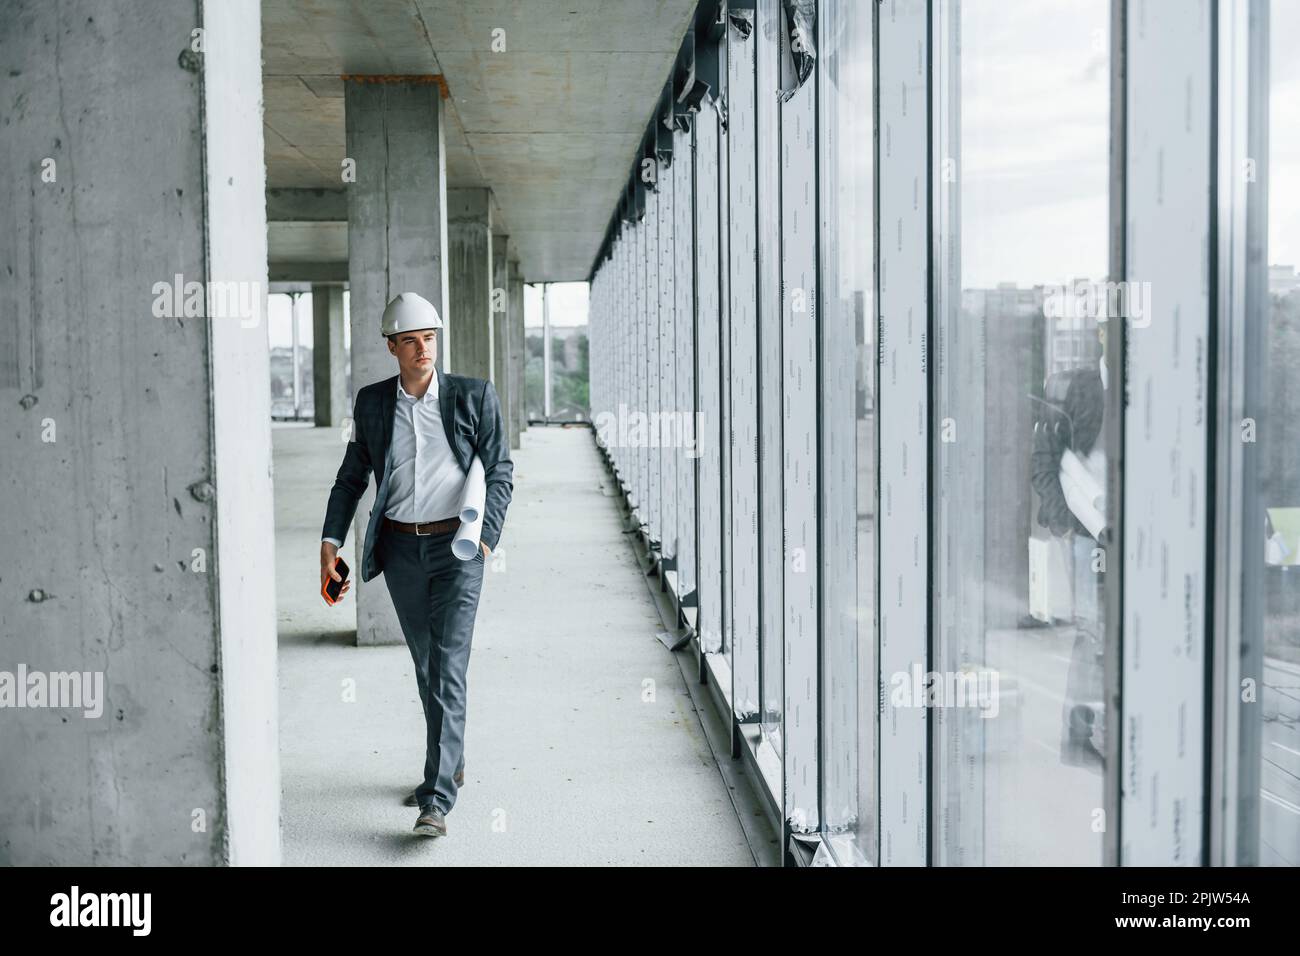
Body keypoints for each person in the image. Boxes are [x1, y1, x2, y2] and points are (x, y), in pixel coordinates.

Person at [319, 291, 514, 837]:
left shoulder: (474, 396)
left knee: (449, 666)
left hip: (459, 548)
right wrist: (330, 541)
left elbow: (500, 470)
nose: (423, 349)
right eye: (410, 341)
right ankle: (447, 761)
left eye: (429, 339)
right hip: (402, 549)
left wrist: (486, 538)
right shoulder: (374, 403)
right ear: (391, 347)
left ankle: (437, 798)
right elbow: (351, 475)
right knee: (428, 665)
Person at [1030, 319, 1108, 771]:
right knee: (1091, 635)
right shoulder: (1074, 388)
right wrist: (1064, 522)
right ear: (1101, 335)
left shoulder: (1153, 387)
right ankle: (1080, 738)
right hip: (1086, 533)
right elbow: (1044, 459)